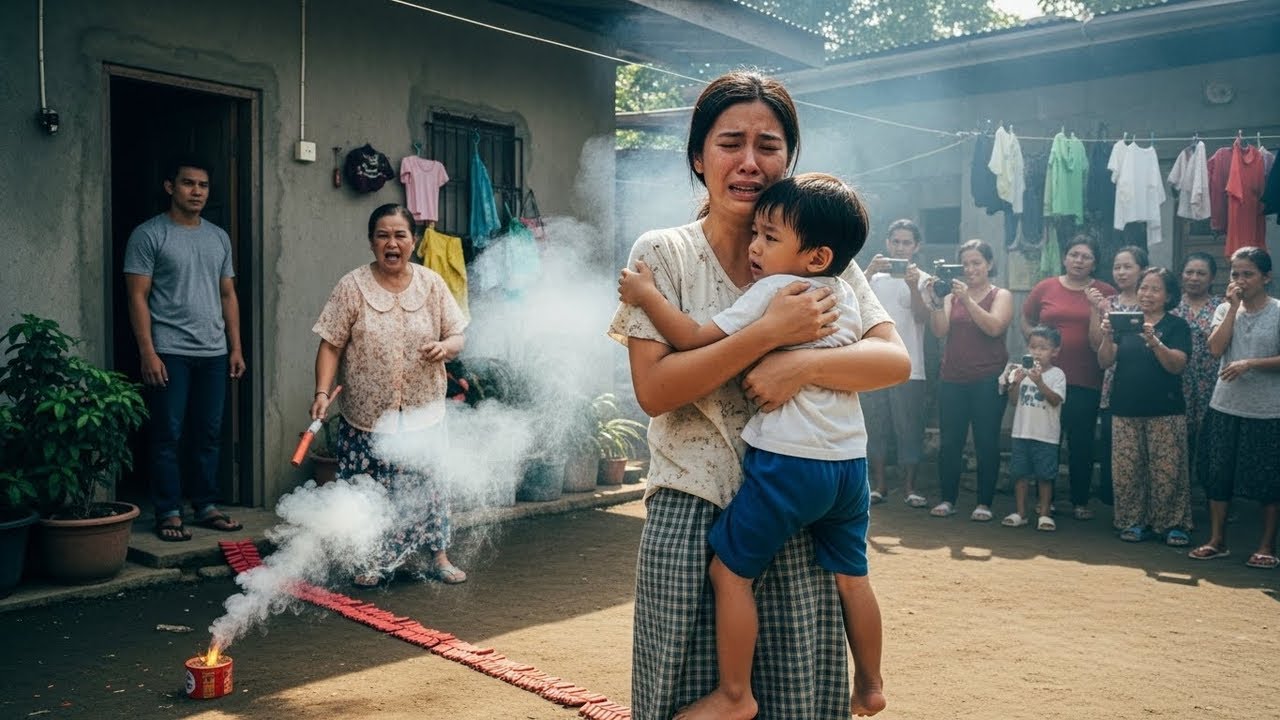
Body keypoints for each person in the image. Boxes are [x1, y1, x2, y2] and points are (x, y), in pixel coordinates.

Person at [608, 70, 910, 720]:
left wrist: (796, 368)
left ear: (789, 158)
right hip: (694, 510)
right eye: (729, 142)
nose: (750, 161)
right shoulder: (663, 255)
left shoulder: (822, 256)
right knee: (679, 695)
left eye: (768, 145)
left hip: (797, 512)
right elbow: (656, 391)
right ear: (698, 156)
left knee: (801, 703)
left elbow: (892, 360)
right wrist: (766, 337)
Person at [310, 204, 468, 587]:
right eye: (383, 235)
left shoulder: (431, 284)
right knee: (367, 490)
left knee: (428, 484)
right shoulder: (352, 286)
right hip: (366, 412)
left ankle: (439, 556)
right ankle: (370, 560)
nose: (391, 243)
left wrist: (445, 349)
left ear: (413, 240)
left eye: (400, 235)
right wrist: (321, 391)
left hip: (422, 410)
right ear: (371, 242)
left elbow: (458, 335)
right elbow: (331, 345)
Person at [124, 158, 247, 542]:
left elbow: (228, 294)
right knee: (168, 434)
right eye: (188, 184)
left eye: (203, 185)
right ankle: (168, 511)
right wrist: (148, 351)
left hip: (212, 351)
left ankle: (205, 505)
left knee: (208, 433)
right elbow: (137, 296)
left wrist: (235, 348)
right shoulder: (148, 235)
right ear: (169, 187)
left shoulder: (218, 237)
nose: (197, 192)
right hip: (169, 350)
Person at [1189, 247, 1280, 569]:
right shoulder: (1226, 309)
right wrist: (1232, 308)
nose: (1240, 280)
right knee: (1218, 475)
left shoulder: (1278, 311)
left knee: (1268, 480)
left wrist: (1250, 363)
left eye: (1248, 274)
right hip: (1225, 405)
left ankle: (1266, 545)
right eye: (1235, 274)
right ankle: (1217, 540)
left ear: (1266, 277)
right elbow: (1215, 349)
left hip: (1267, 410)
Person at [1022, 235, 1117, 521]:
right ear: (1064, 258)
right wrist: (1037, 344)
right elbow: (1026, 318)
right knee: (1047, 440)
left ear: (1095, 263)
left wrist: (1096, 306)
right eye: (1074, 254)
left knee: (1082, 443)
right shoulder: (1046, 287)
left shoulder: (1104, 292)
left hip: (1085, 378)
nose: (1079, 260)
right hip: (1046, 379)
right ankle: (1044, 501)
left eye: (1086, 256)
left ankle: (1079, 500)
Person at [1097, 267, 1193, 545]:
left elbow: (1177, 365)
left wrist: (1154, 340)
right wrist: (1106, 335)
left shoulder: (1176, 326)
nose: (1146, 294)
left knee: (1168, 470)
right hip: (1125, 407)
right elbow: (1104, 362)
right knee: (1128, 471)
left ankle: (1173, 524)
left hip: (1166, 409)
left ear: (1169, 295)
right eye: (1143, 288)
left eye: (1154, 289)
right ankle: (1132, 521)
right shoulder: (1123, 322)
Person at [927, 239, 1013, 522]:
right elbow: (940, 331)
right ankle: (948, 498)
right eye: (965, 264)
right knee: (950, 442)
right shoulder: (952, 295)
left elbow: (994, 327)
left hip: (987, 378)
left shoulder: (1001, 294)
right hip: (952, 377)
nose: (970, 268)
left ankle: (984, 503)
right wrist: (937, 302)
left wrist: (967, 299)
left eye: (976, 262)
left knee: (986, 441)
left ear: (989, 264)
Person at [863, 219, 932, 508]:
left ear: (916, 247)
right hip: (873, 365)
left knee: (909, 429)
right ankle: (878, 486)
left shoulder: (924, 279)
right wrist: (867, 272)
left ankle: (910, 488)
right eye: (896, 242)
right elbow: (852, 306)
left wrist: (914, 286)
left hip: (910, 365)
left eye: (907, 243)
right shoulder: (874, 279)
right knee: (875, 428)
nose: (900, 247)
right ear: (887, 244)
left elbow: (922, 317)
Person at [1087, 245, 1148, 505]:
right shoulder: (1108, 303)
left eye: (1128, 266)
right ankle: (1118, 505)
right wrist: (1094, 309)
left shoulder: (1152, 302)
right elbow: (1094, 344)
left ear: (1142, 270)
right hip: (1115, 383)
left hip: (1148, 384)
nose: (1121, 272)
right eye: (1117, 267)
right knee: (1115, 446)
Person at [1001, 326, 1067, 531]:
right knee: (1020, 474)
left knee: (1045, 476)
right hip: (1021, 432)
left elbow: (1056, 400)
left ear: (1055, 351)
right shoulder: (1021, 371)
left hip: (1046, 435)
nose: (1037, 352)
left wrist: (1039, 382)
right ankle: (1021, 513)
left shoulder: (1057, 374)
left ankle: (1045, 514)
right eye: (1033, 347)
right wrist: (1016, 383)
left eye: (1043, 348)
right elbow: (1013, 401)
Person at [1171, 252, 1224, 470]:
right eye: (1189, 272)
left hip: (1211, 382)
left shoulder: (1222, 307)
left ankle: (1210, 495)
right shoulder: (1170, 307)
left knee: (1210, 441)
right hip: (1176, 382)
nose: (1194, 278)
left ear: (1211, 278)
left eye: (1201, 273)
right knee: (1178, 444)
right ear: (1181, 275)